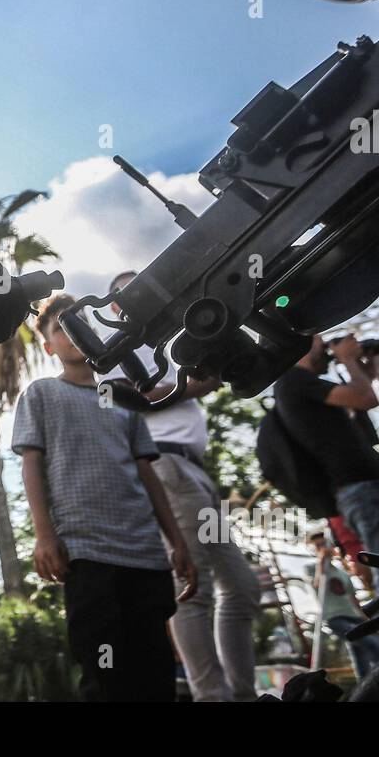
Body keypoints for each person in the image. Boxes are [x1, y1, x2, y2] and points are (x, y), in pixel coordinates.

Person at [12, 293, 197, 701]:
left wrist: (177, 542)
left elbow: (146, 472)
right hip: (87, 553)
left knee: (155, 671)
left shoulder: (123, 400)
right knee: (104, 671)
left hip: (146, 556)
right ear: (48, 346)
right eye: (60, 329)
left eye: (79, 325)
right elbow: (31, 464)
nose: (72, 335)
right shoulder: (41, 394)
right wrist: (44, 536)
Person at [103, 270, 259, 701]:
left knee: (242, 588)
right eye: (125, 291)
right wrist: (183, 387)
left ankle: (240, 695)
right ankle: (212, 696)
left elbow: (206, 381)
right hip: (166, 465)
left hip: (195, 472)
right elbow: (126, 398)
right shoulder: (112, 350)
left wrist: (186, 381)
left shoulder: (171, 342)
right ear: (114, 305)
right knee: (193, 589)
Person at [271, 334, 379, 655]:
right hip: (364, 489)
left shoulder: (305, 386)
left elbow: (364, 401)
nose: (326, 346)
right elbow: (367, 398)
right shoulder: (292, 380)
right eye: (318, 340)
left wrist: (360, 366)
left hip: (369, 488)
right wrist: (350, 360)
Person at [304, 529, 379, 680]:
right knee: (371, 644)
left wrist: (367, 620)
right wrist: (321, 563)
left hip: (354, 616)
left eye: (324, 544)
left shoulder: (342, 573)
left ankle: (367, 686)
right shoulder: (311, 569)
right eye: (318, 546)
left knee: (360, 657)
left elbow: (354, 599)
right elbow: (317, 586)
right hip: (335, 618)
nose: (323, 548)